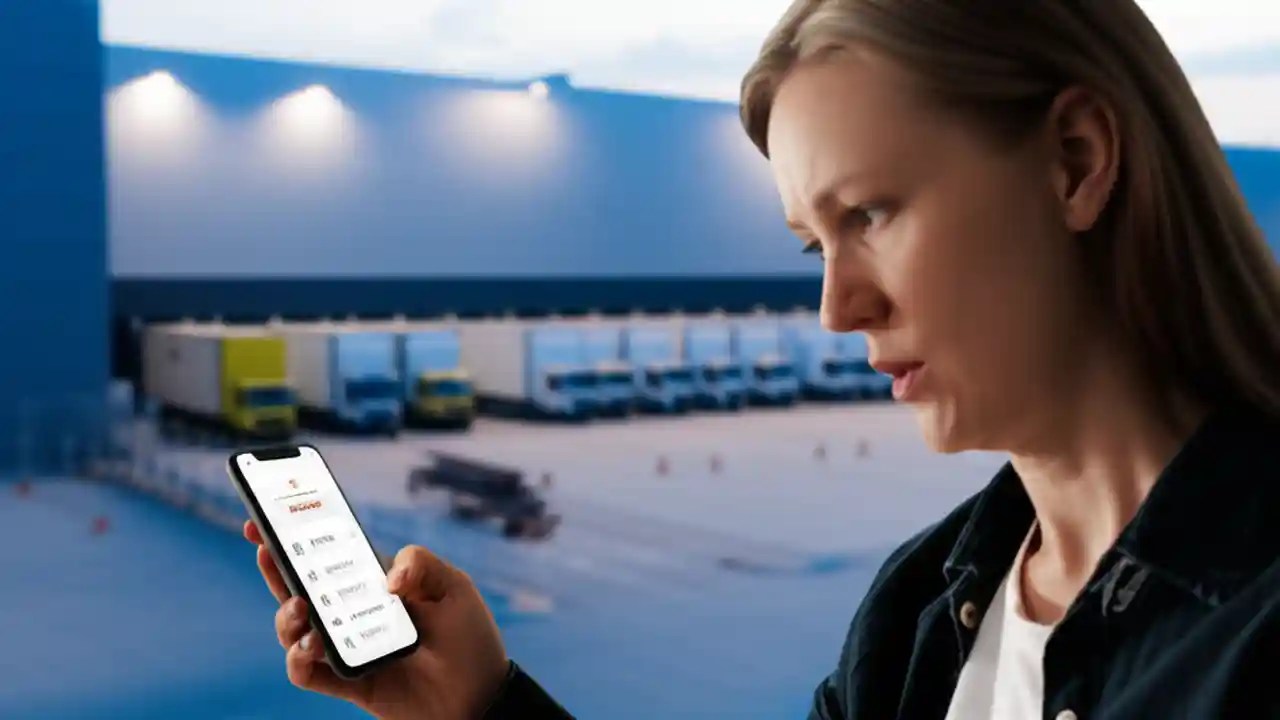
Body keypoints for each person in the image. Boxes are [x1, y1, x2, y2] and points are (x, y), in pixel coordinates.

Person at [244, 1, 1280, 718]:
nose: (837, 308)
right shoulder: (920, 607)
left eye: (869, 213)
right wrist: (479, 706)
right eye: (809, 245)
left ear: (1074, 163)